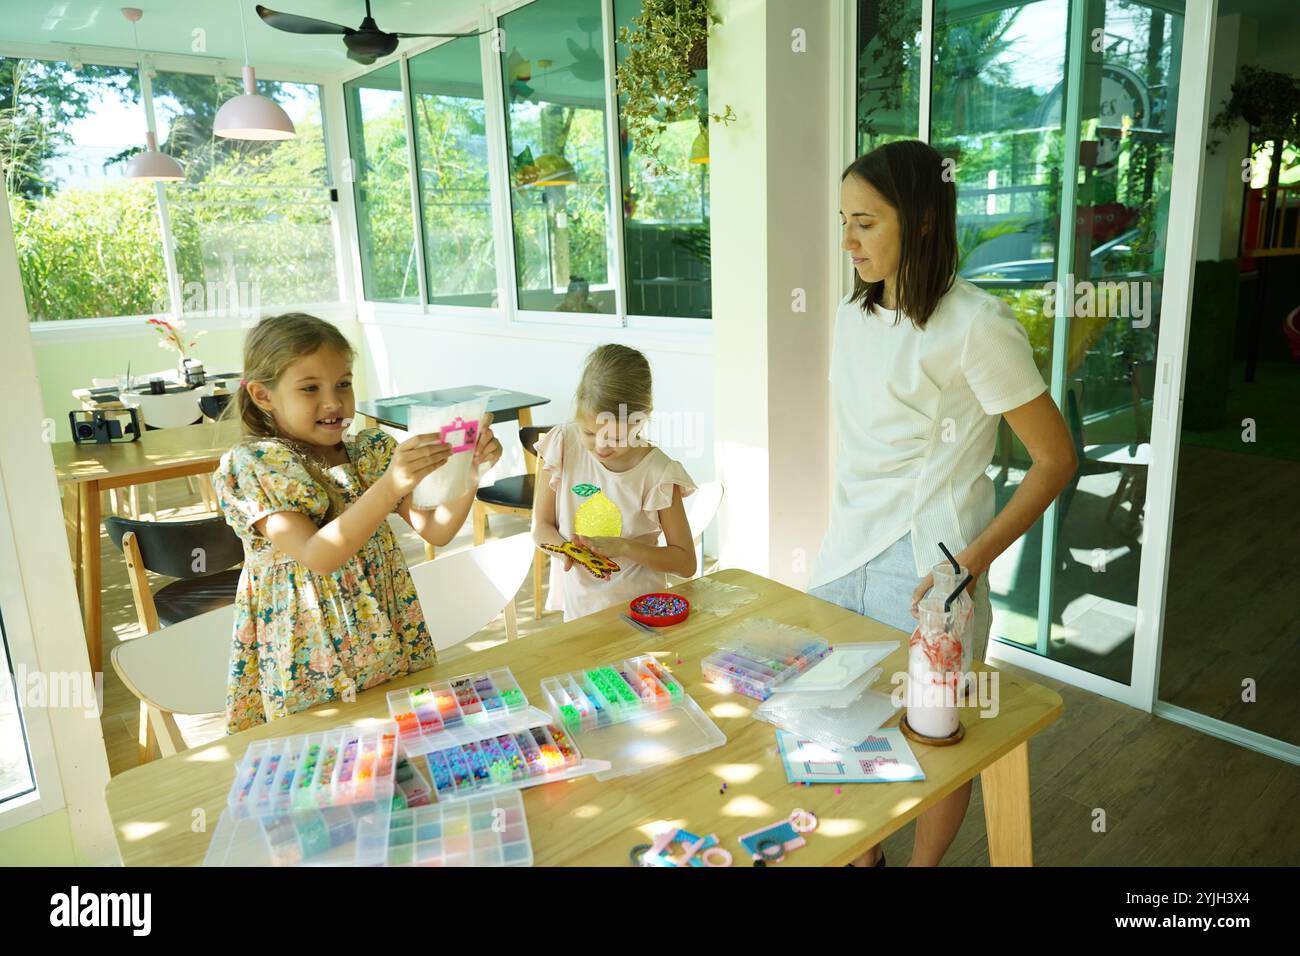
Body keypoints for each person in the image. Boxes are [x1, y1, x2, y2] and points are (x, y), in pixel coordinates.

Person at [809, 141, 1078, 866]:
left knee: (934, 737)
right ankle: (862, 856)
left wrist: (971, 561)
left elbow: (1055, 459)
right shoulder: (850, 315)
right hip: (843, 553)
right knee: (836, 723)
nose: (848, 240)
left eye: (865, 221)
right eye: (844, 220)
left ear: (922, 221)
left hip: (930, 571)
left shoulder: (975, 326)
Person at [213, 313, 502, 732]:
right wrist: (391, 484)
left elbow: (436, 529)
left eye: (343, 384)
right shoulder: (257, 465)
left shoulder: (371, 451)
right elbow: (319, 556)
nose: (333, 402)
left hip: (388, 635)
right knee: (327, 753)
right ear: (263, 395)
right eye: (310, 388)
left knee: (401, 740)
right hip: (310, 653)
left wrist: (470, 472)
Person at [532, 344, 697, 621]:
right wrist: (569, 553)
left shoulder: (658, 472)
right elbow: (541, 527)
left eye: (617, 438)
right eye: (589, 433)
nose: (601, 447)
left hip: (643, 617)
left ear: (641, 420)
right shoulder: (562, 445)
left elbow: (685, 562)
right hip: (580, 617)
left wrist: (625, 547)